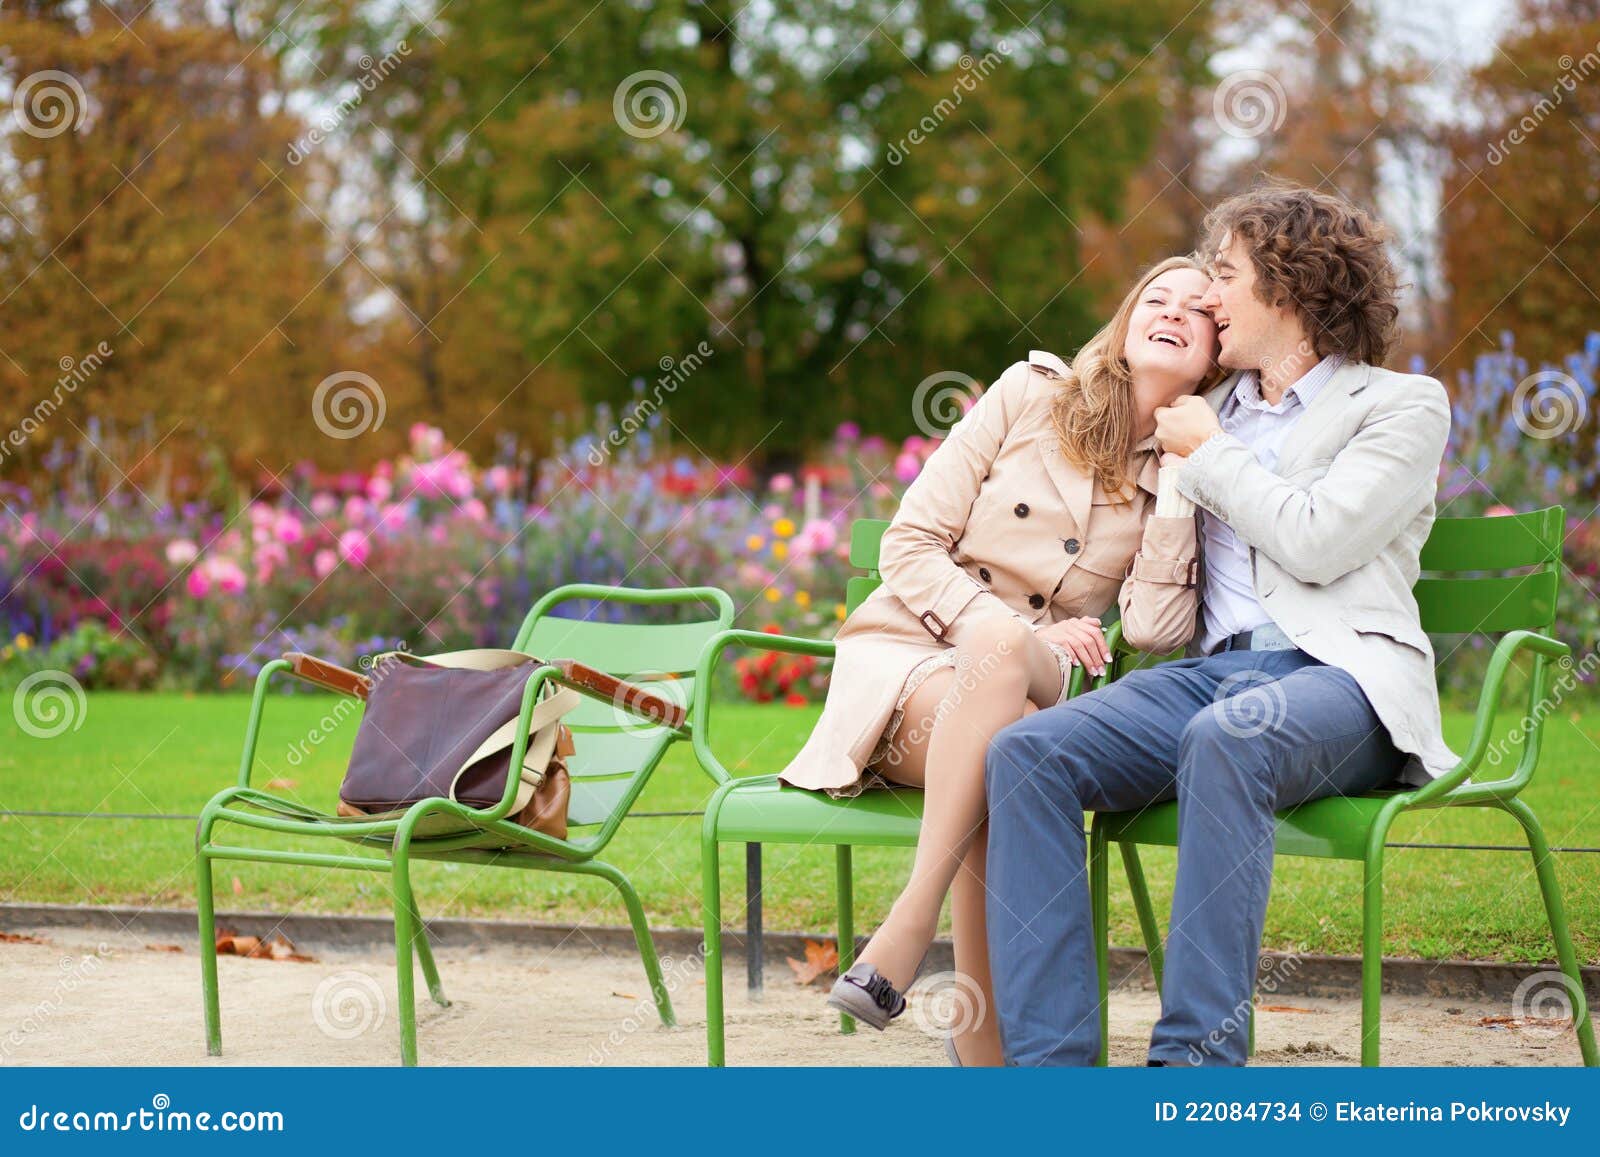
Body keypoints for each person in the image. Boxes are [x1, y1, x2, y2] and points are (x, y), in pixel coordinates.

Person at [983, 183, 1455, 1066]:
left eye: (1226, 275)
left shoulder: (1398, 406)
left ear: (1290, 287)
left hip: (1342, 681)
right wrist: (1173, 472)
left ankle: (1195, 1071)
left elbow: (1317, 542)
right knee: (1026, 754)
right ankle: (1050, 1076)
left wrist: (1211, 452)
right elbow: (1157, 627)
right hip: (1208, 673)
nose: (1207, 295)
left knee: (1229, 735)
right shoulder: (1209, 410)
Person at [778, 256, 1222, 1065]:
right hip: (910, 666)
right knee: (1005, 739)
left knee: (1009, 691)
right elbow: (908, 544)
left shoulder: (1184, 469)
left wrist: (1186, 472)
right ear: (1124, 321)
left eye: (1199, 309)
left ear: (1215, 354)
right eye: (1155, 294)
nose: (1173, 310)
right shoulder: (1029, 395)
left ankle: (906, 930)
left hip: (1057, 676)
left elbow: (1155, 627)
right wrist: (1008, 630)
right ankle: (982, 1053)